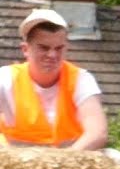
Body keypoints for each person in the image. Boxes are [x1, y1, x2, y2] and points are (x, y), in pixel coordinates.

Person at [0, 8, 109, 151]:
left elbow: (97, 133)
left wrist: (61, 163)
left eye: (59, 48)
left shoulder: (81, 79)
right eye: (44, 48)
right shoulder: (5, 79)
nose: (52, 55)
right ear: (25, 49)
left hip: (72, 158)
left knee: (115, 157)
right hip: (15, 161)